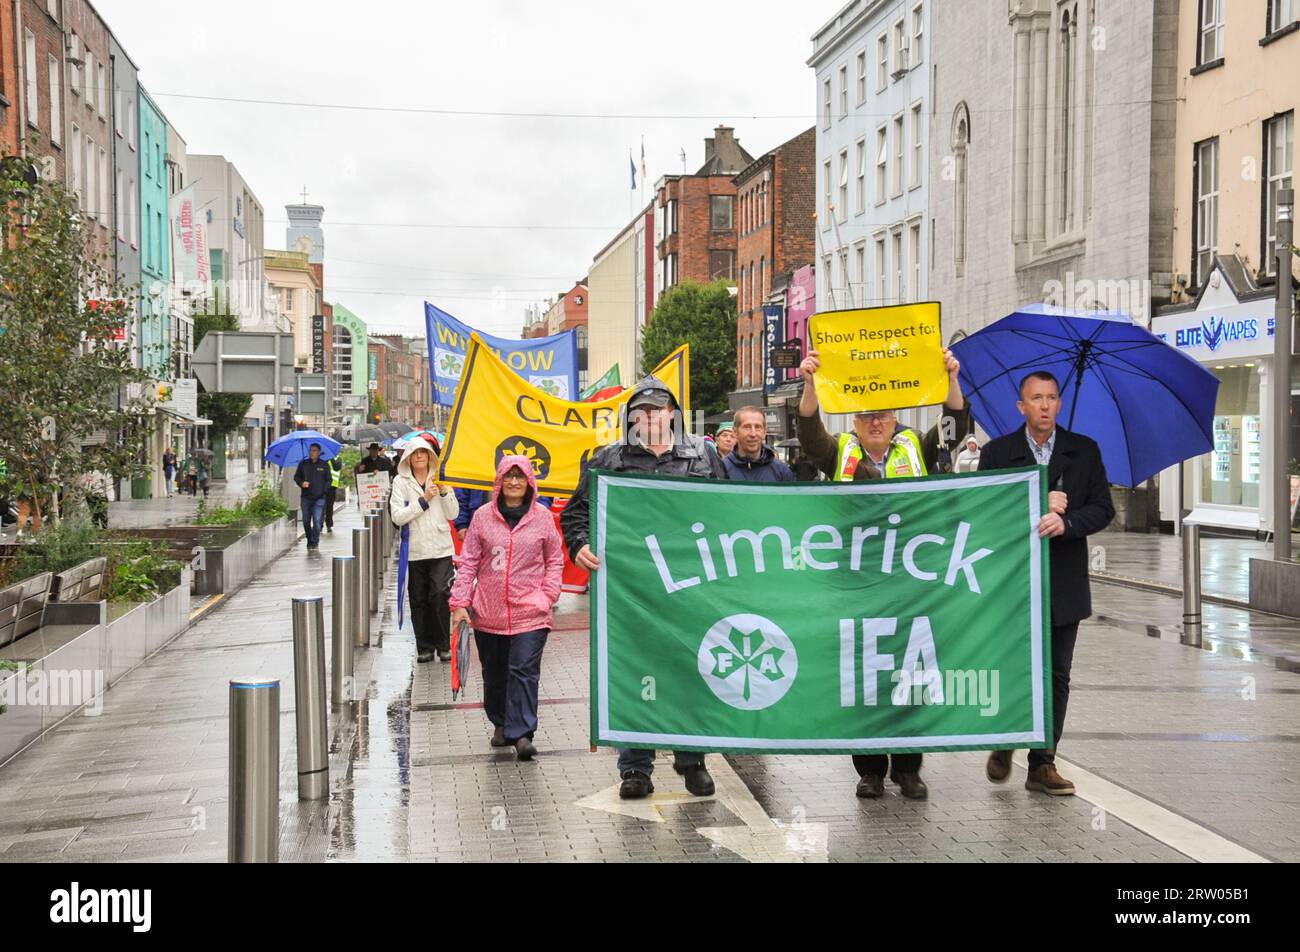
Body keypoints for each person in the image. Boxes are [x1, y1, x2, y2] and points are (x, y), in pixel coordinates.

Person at [798, 345, 970, 801]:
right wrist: (811, 384)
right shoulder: (839, 452)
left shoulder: (916, 444)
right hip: (857, 583)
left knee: (912, 672)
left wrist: (951, 379)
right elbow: (809, 432)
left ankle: (908, 768)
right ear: (854, 420)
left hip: (911, 582)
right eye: (868, 415)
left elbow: (953, 430)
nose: (877, 422)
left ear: (896, 418)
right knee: (865, 676)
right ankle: (871, 769)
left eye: (885, 414)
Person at [562, 376, 726, 800]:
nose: (650, 417)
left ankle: (692, 760)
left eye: (658, 409)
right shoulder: (608, 459)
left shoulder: (703, 458)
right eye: (642, 410)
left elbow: (730, 509)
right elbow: (575, 511)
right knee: (634, 671)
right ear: (631, 416)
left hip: (692, 584)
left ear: (672, 414)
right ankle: (635, 767)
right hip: (631, 587)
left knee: (690, 668)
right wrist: (579, 545)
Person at [977, 370, 1114, 796]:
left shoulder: (1084, 451)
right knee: (1012, 667)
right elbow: (983, 513)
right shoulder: (997, 453)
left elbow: (1103, 509)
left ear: (1058, 404)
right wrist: (1035, 505)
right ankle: (1005, 741)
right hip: (1011, 582)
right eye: (1035, 398)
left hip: (1063, 584)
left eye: (1051, 398)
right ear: (1021, 407)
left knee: (1056, 675)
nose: (1044, 405)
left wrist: (1067, 522)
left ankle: (1043, 763)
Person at [450, 456, 564, 761]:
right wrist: (460, 602)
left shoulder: (541, 517)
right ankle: (501, 722)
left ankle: (522, 733)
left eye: (520, 477)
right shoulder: (483, 517)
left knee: (524, 670)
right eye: (509, 477)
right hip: (490, 612)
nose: (514, 482)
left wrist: (548, 594)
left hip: (532, 611)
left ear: (529, 482)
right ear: (499, 481)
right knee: (496, 673)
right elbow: (469, 561)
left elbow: (554, 558)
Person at [390, 436, 459, 663]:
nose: (419, 457)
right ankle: (425, 647)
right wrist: (422, 501)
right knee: (419, 599)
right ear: (408, 459)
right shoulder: (400, 482)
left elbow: (453, 514)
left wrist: (444, 492)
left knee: (439, 594)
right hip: (415, 549)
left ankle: (443, 644)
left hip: (440, 549)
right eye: (414, 454)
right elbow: (397, 516)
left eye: (423, 452)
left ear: (430, 456)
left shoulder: (440, 478)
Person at [722, 407, 795, 482]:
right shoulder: (722, 469)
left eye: (758, 427)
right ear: (735, 432)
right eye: (747, 427)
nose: (753, 434)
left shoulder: (782, 471)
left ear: (764, 432)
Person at [293, 443, 331, 550]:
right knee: (305, 521)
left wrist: (324, 491)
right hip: (306, 497)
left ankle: (315, 541)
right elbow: (296, 477)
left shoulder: (324, 465)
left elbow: (329, 480)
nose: (312, 452)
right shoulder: (303, 464)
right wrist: (302, 483)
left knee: (317, 521)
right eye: (311, 450)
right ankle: (309, 539)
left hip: (319, 498)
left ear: (319, 452)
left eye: (314, 450)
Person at [324, 455, 341, 533]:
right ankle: (320, 525)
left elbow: (337, 467)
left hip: (332, 486)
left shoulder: (337, 458)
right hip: (322, 485)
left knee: (329, 507)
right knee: (322, 505)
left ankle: (328, 524)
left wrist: (330, 458)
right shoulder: (323, 457)